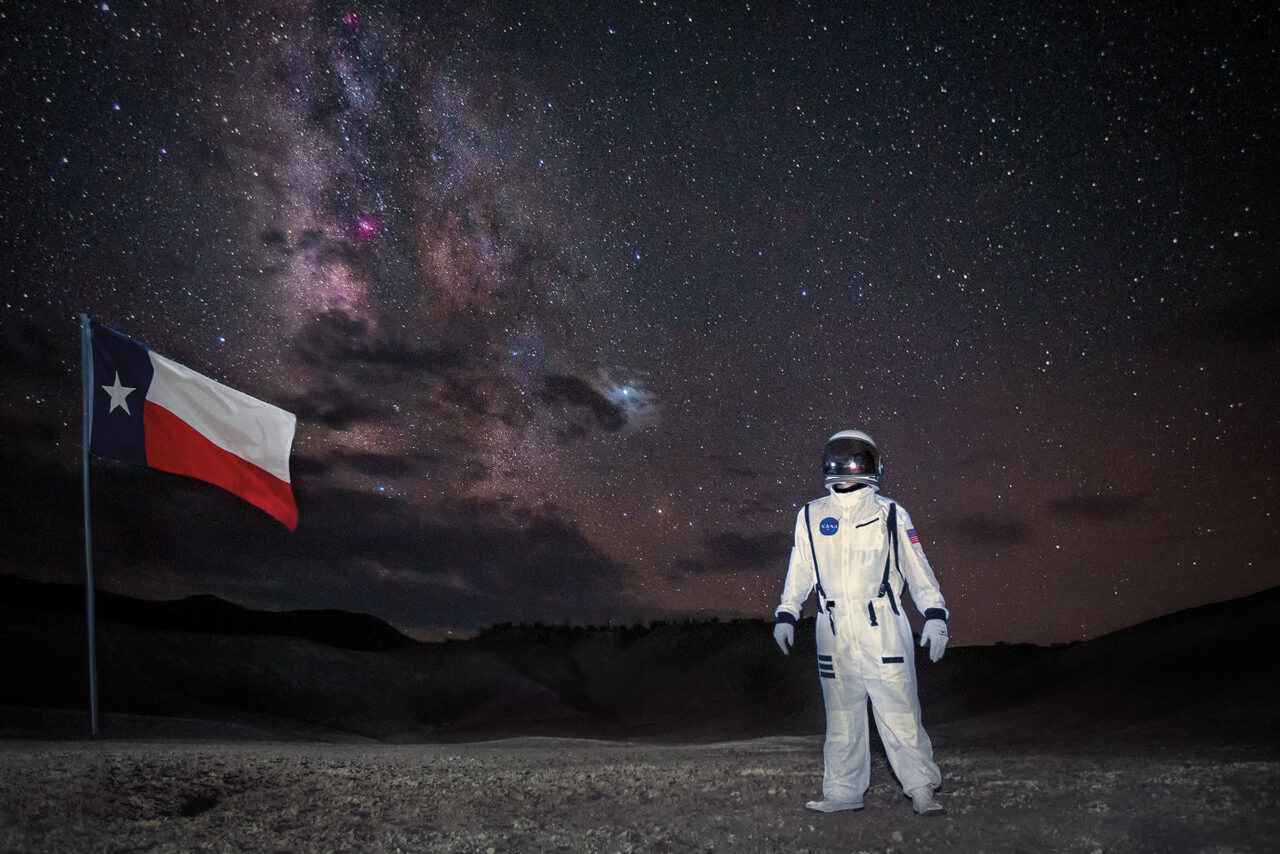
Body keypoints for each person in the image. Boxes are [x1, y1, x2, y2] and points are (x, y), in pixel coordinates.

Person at [772, 429, 950, 817]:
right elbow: (799, 570)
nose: (848, 465)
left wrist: (935, 613)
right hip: (832, 629)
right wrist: (787, 612)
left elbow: (917, 569)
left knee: (900, 713)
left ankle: (921, 788)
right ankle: (842, 793)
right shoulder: (811, 516)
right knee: (842, 719)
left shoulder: (889, 513)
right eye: (841, 456)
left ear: (872, 463)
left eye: (856, 457)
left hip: (882, 624)